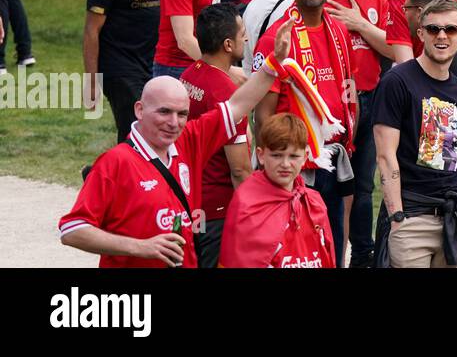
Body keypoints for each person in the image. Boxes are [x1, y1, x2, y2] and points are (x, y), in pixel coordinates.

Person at [58, 23, 291, 268]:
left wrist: (273, 63)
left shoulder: (189, 140)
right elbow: (72, 229)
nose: (173, 122)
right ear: (139, 109)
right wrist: (141, 247)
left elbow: (237, 106)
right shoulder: (115, 162)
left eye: (182, 114)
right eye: (164, 112)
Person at [252, 0, 357, 265]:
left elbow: (348, 89)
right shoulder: (277, 38)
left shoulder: (338, 30)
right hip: (294, 164)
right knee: (296, 248)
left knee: (333, 243)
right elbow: (262, 114)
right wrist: (273, 167)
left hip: (333, 157)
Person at [373, 0, 457, 269]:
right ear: (421, 33)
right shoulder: (397, 82)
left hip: (455, 216)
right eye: (433, 29)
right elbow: (385, 156)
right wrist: (397, 216)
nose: (442, 36)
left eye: (451, 29)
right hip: (411, 218)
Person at [325, 0, 393, 268]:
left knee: (365, 185)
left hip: (371, 99)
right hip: (335, 105)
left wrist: (361, 25)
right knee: (334, 184)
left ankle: (362, 254)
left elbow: (393, 49)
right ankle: (331, 252)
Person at [83, 0, 168, 142]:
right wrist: (92, 81)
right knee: (137, 132)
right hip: (120, 69)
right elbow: (92, 30)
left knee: (155, 131)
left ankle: (98, 174)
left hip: (152, 64)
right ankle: (122, 176)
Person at [178, 3, 252, 267]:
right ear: (228, 45)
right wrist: (252, 216)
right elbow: (240, 169)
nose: (246, 36)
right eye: (242, 31)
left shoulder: (190, 74)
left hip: (192, 201)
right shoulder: (227, 95)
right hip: (219, 211)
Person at [219, 112, 335, 268]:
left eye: (293, 156)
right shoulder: (247, 203)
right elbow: (236, 260)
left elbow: (326, 256)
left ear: (306, 156)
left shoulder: (314, 202)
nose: (285, 164)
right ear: (261, 155)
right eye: (277, 155)